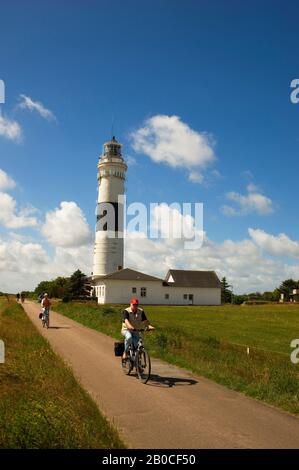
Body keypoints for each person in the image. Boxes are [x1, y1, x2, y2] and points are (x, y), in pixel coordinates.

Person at [121, 297, 155, 362]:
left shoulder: (141, 311)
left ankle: (138, 365)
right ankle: (125, 352)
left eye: (136, 305)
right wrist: (130, 327)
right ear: (130, 304)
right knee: (129, 337)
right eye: (133, 304)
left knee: (137, 346)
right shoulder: (126, 311)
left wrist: (148, 326)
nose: (135, 306)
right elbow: (126, 321)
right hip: (126, 330)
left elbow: (145, 321)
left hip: (136, 330)